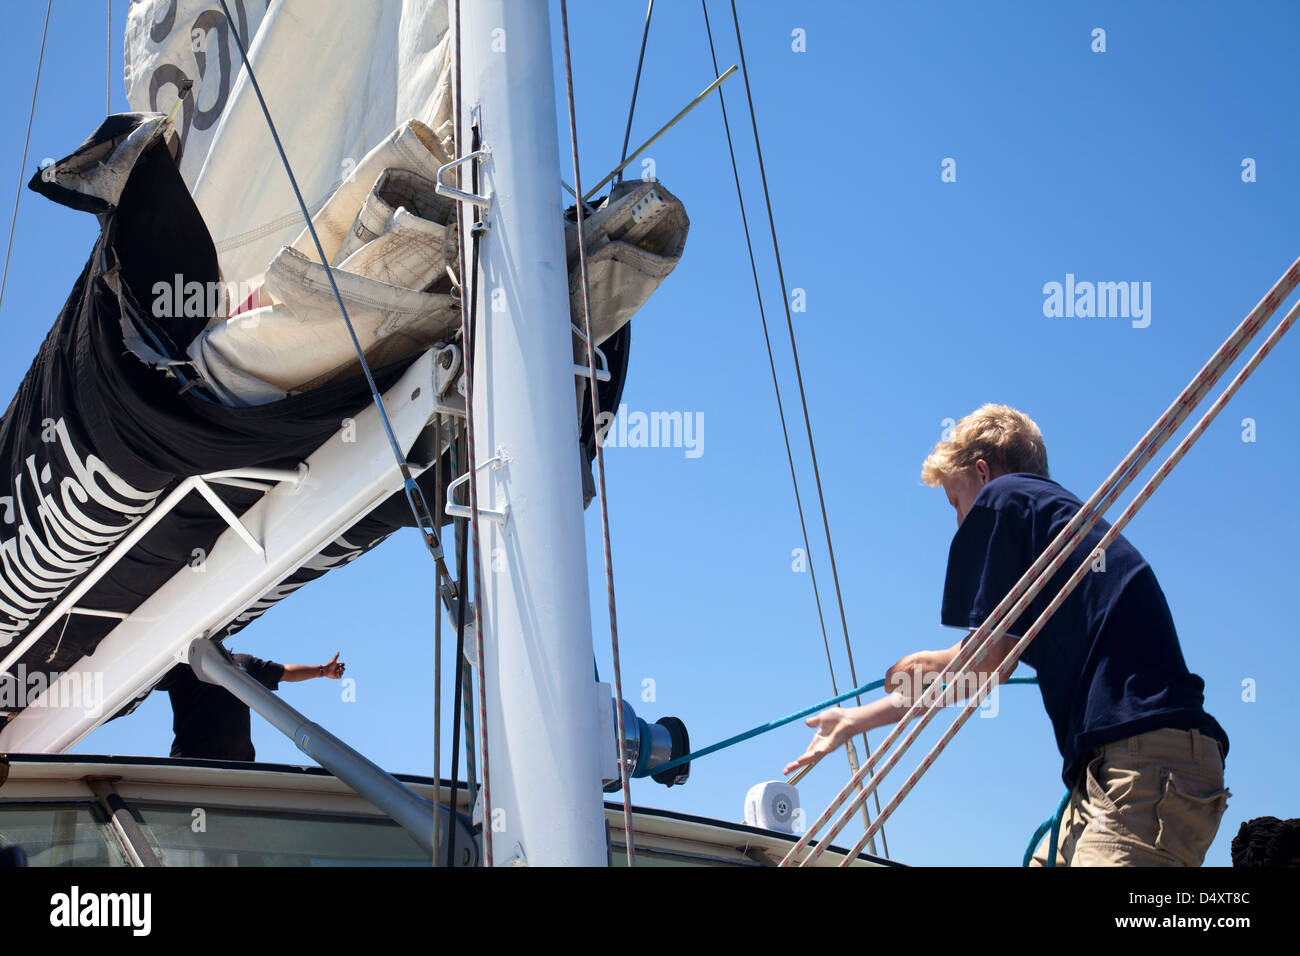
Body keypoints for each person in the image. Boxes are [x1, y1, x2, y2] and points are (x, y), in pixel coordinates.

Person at [786, 404, 1230, 866]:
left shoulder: (1004, 498)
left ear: (983, 472)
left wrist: (920, 664)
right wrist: (860, 718)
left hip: (1142, 770)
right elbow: (982, 667)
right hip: (1134, 768)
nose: (959, 522)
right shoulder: (1056, 522)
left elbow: (983, 664)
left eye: (955, 502)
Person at [157, 650, 345, 761]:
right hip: (191, 762)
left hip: (239, 765)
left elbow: (285, 672)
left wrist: (322, 671)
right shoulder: (180, 668)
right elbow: (147, 678)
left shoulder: (241, 664)